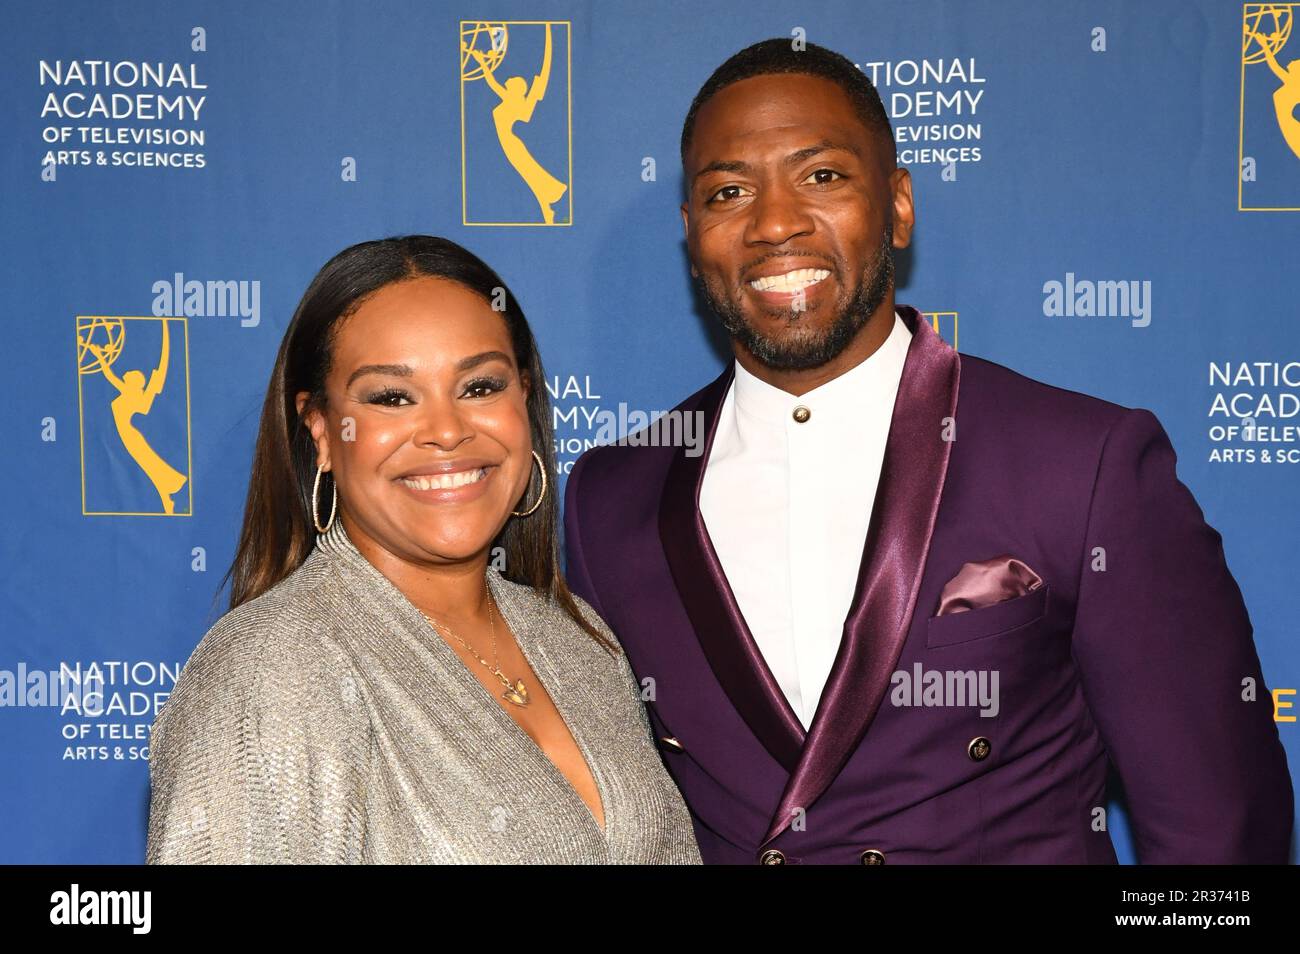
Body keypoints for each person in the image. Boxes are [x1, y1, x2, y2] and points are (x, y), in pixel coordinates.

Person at [562, 39, 1293, 864]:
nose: (773, 222)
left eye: (822, 176)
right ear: (692, 234)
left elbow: (1218, 836)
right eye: (729, 191)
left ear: (899, 206)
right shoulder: (610, 498)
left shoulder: (1081, 465)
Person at [146, 235, 701, 864]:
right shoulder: (273, 667)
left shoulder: (581, 644)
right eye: (391, 397)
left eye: (480, 386)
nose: (446, 431)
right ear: (321, 431)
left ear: (526, 400)